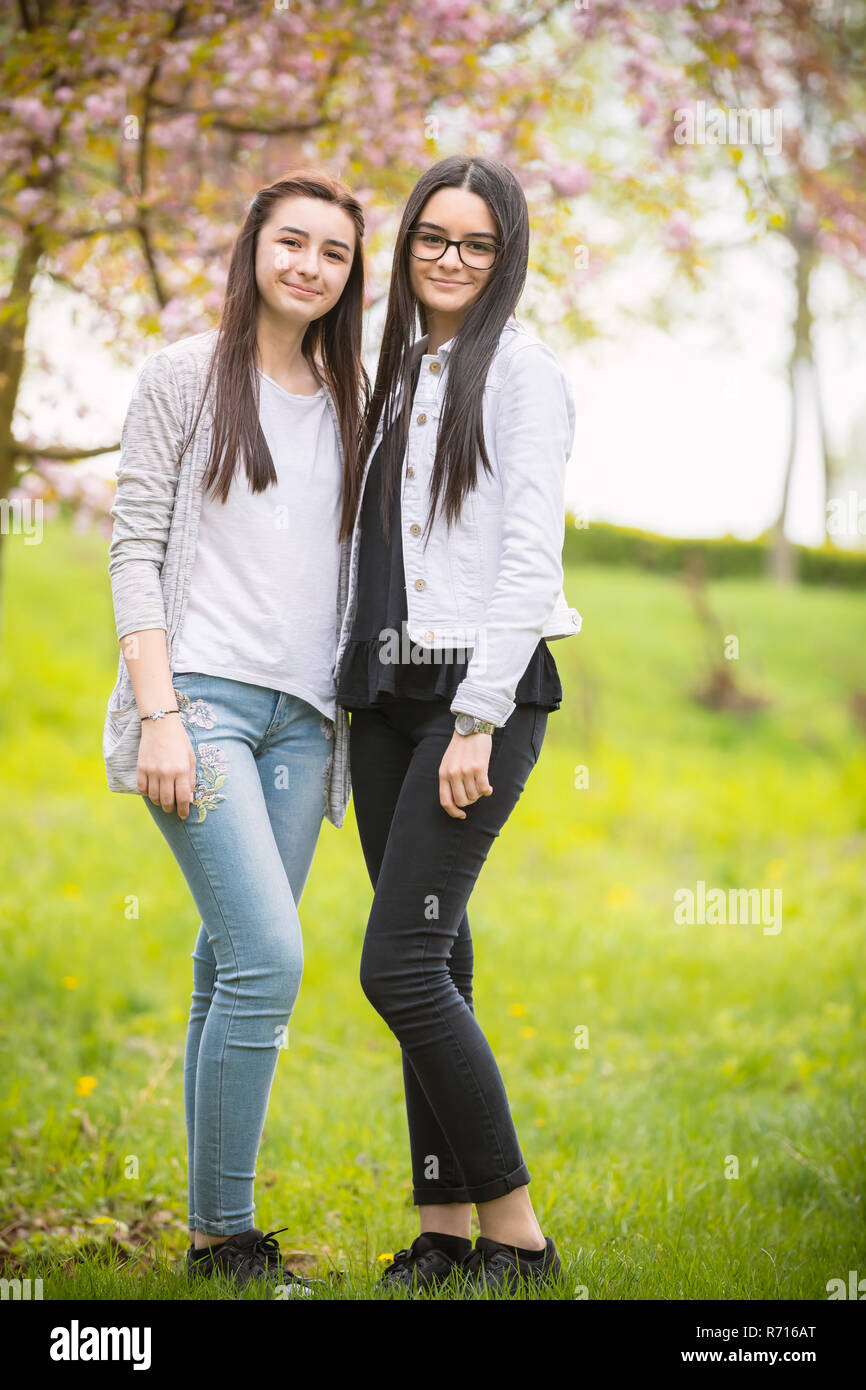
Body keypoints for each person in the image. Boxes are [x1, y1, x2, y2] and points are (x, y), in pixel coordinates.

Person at [102, 168, 369, 1289]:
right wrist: (158, 714)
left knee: (227, 963)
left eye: (335, 253)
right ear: (252, 246)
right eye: (292, 242)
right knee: (269, 956)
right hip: (200, 703)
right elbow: (132, 547)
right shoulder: (181, 378)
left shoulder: (356, 395)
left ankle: (214, 1234)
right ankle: (226, 1234)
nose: (310, 265)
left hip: (306, 725)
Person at [334, 155, 582, 1295]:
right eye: (432, 237)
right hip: (385, 699)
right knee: (438, 958)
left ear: (505, 255)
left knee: (397, 967)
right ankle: (441, 1226)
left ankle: (518, 1235)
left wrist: (477, 716)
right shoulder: (393, 370)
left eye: (475, 243)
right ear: (407, 246)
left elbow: (529, 556)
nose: (449, 259)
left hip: (474, 697)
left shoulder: (523, 373)